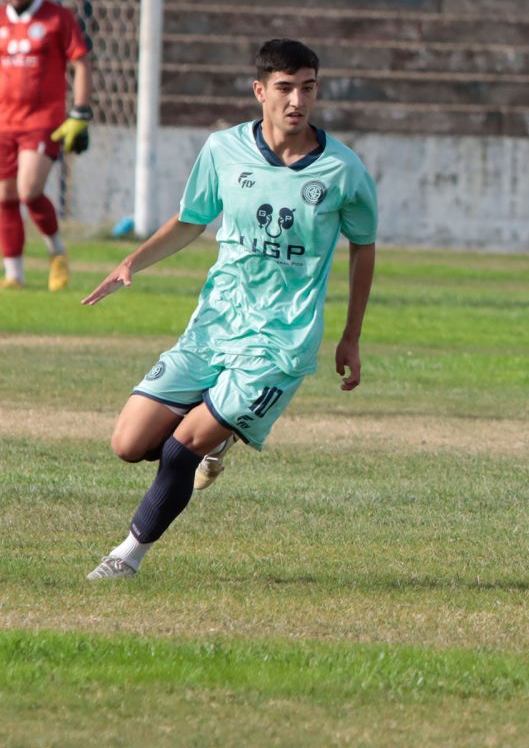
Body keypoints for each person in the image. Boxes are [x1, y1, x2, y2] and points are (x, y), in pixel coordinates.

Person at [82, 39, 377, 579]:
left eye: (307, 88)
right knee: (129, 443)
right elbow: (192, 220)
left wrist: (350, 336)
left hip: (280, 343)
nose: (297, 101)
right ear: (260, 90)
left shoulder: (343, 171)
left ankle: (126, 557)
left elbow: (364, 246)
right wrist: (133, 261)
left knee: (182, 446)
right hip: (214, 325)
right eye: (285, 88)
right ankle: (220, 429)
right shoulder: (223, 150)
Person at [0, 0, 91, 291]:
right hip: (4, 122)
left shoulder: (57, 18)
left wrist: (80, 111)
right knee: (5, 197)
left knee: (28, 190)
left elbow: (81, 63)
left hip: (42, 121)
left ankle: (56, 252)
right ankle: (14, 273)